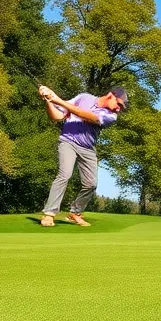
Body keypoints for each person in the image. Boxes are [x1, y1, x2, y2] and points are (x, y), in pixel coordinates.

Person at [38, 85, 127, 227]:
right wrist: (48, 101)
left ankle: (75, 213)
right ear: (110, 95)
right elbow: (58, 116)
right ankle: (49, 213)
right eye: (118, 104)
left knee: (91, 184)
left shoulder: (111, 116)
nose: (118, 109)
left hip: (88, 149)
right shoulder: (83, 97)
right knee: (64, 175)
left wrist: (56, 99)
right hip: (68, 142)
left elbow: (86, 115)